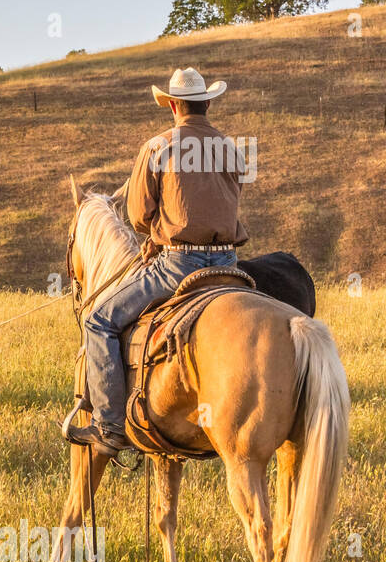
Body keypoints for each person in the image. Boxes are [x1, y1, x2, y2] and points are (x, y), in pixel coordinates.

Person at [68, 68, 250, 455]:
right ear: (208, 103)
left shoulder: (159, 146)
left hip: (180, 264)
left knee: (97, 320)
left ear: (171, 105)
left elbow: (136, 214)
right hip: (230, 265)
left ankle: (108, 426)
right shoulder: (232, 149)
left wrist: (156, 232)